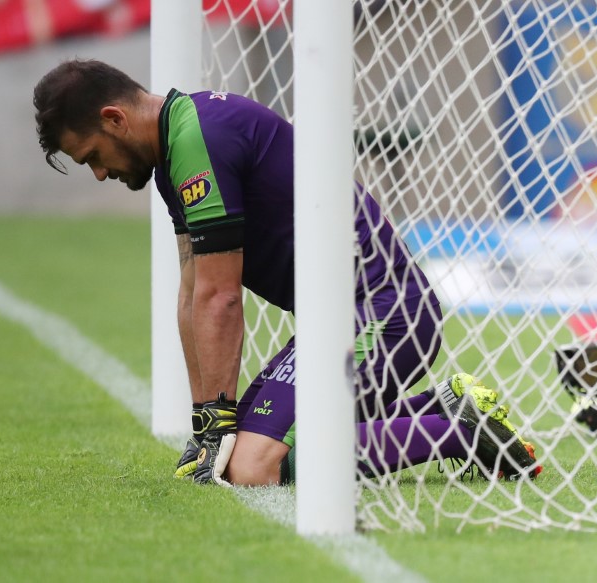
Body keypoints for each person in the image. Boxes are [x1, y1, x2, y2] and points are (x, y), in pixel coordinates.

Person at [33, 59, 540, 486]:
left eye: (93, 157)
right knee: (237, 454)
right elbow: (191, 293)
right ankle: (446, 407)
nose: (100, 173)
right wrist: (207, 418)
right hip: (337, 322)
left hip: (384, 313)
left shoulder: (199, 140)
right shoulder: (173, 158)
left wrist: (216, 419)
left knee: (254, 466)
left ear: (115, 118)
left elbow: (220, 298)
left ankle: (461, 434)